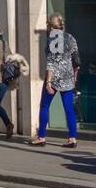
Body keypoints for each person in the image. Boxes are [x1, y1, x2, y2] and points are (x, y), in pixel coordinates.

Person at [31, 13, 80, 147]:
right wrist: (75, 76)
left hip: (54, 79)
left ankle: (41, 137)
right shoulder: (70, 37)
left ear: (50, 25)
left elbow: (52, 62)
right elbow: (76, 60)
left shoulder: (54, 38)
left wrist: (48, 82)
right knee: (69, 108)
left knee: (45, 106)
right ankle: (72, 138)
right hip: (68, 78)